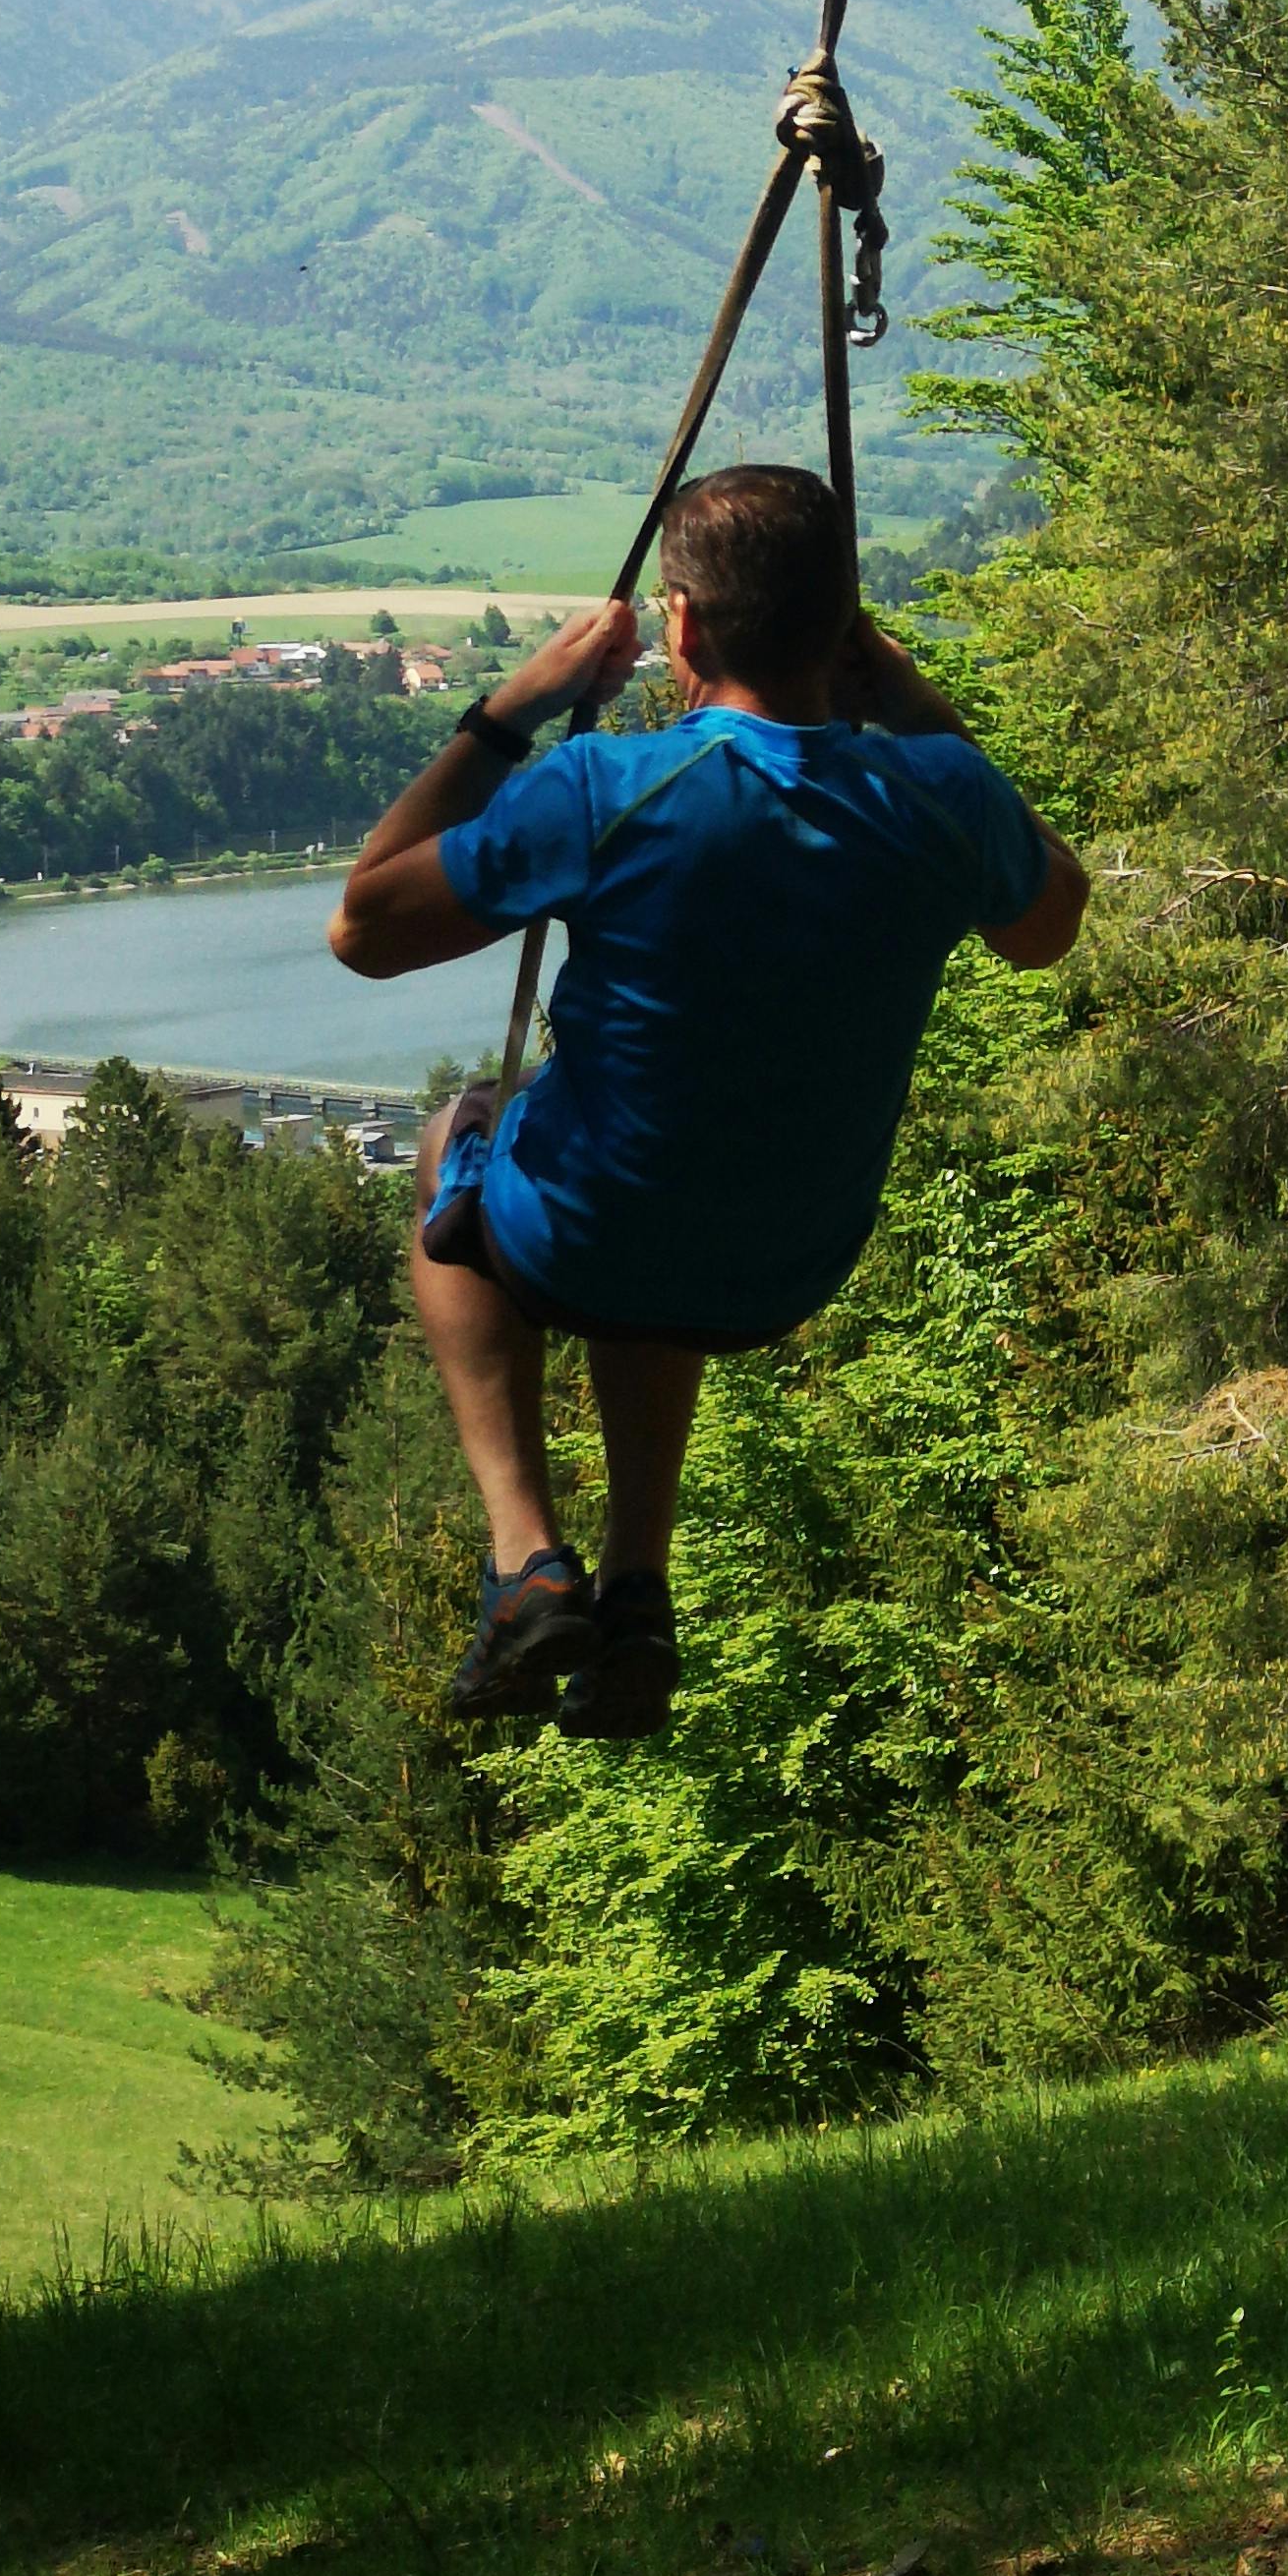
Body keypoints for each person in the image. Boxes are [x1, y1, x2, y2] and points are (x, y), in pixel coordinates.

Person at [326, 456, 1085, 1733]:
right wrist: (921, 709)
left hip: (594, 1236)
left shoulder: (605, 788)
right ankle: (637, 1589)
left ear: (680, 623)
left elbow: (363, 925)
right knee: (674, 1175)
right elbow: (1049, 924)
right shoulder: (936, 794)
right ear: (848, 629)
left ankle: (525, 1555)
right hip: (791, 1263)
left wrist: (515, 708)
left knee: (463, 1132)